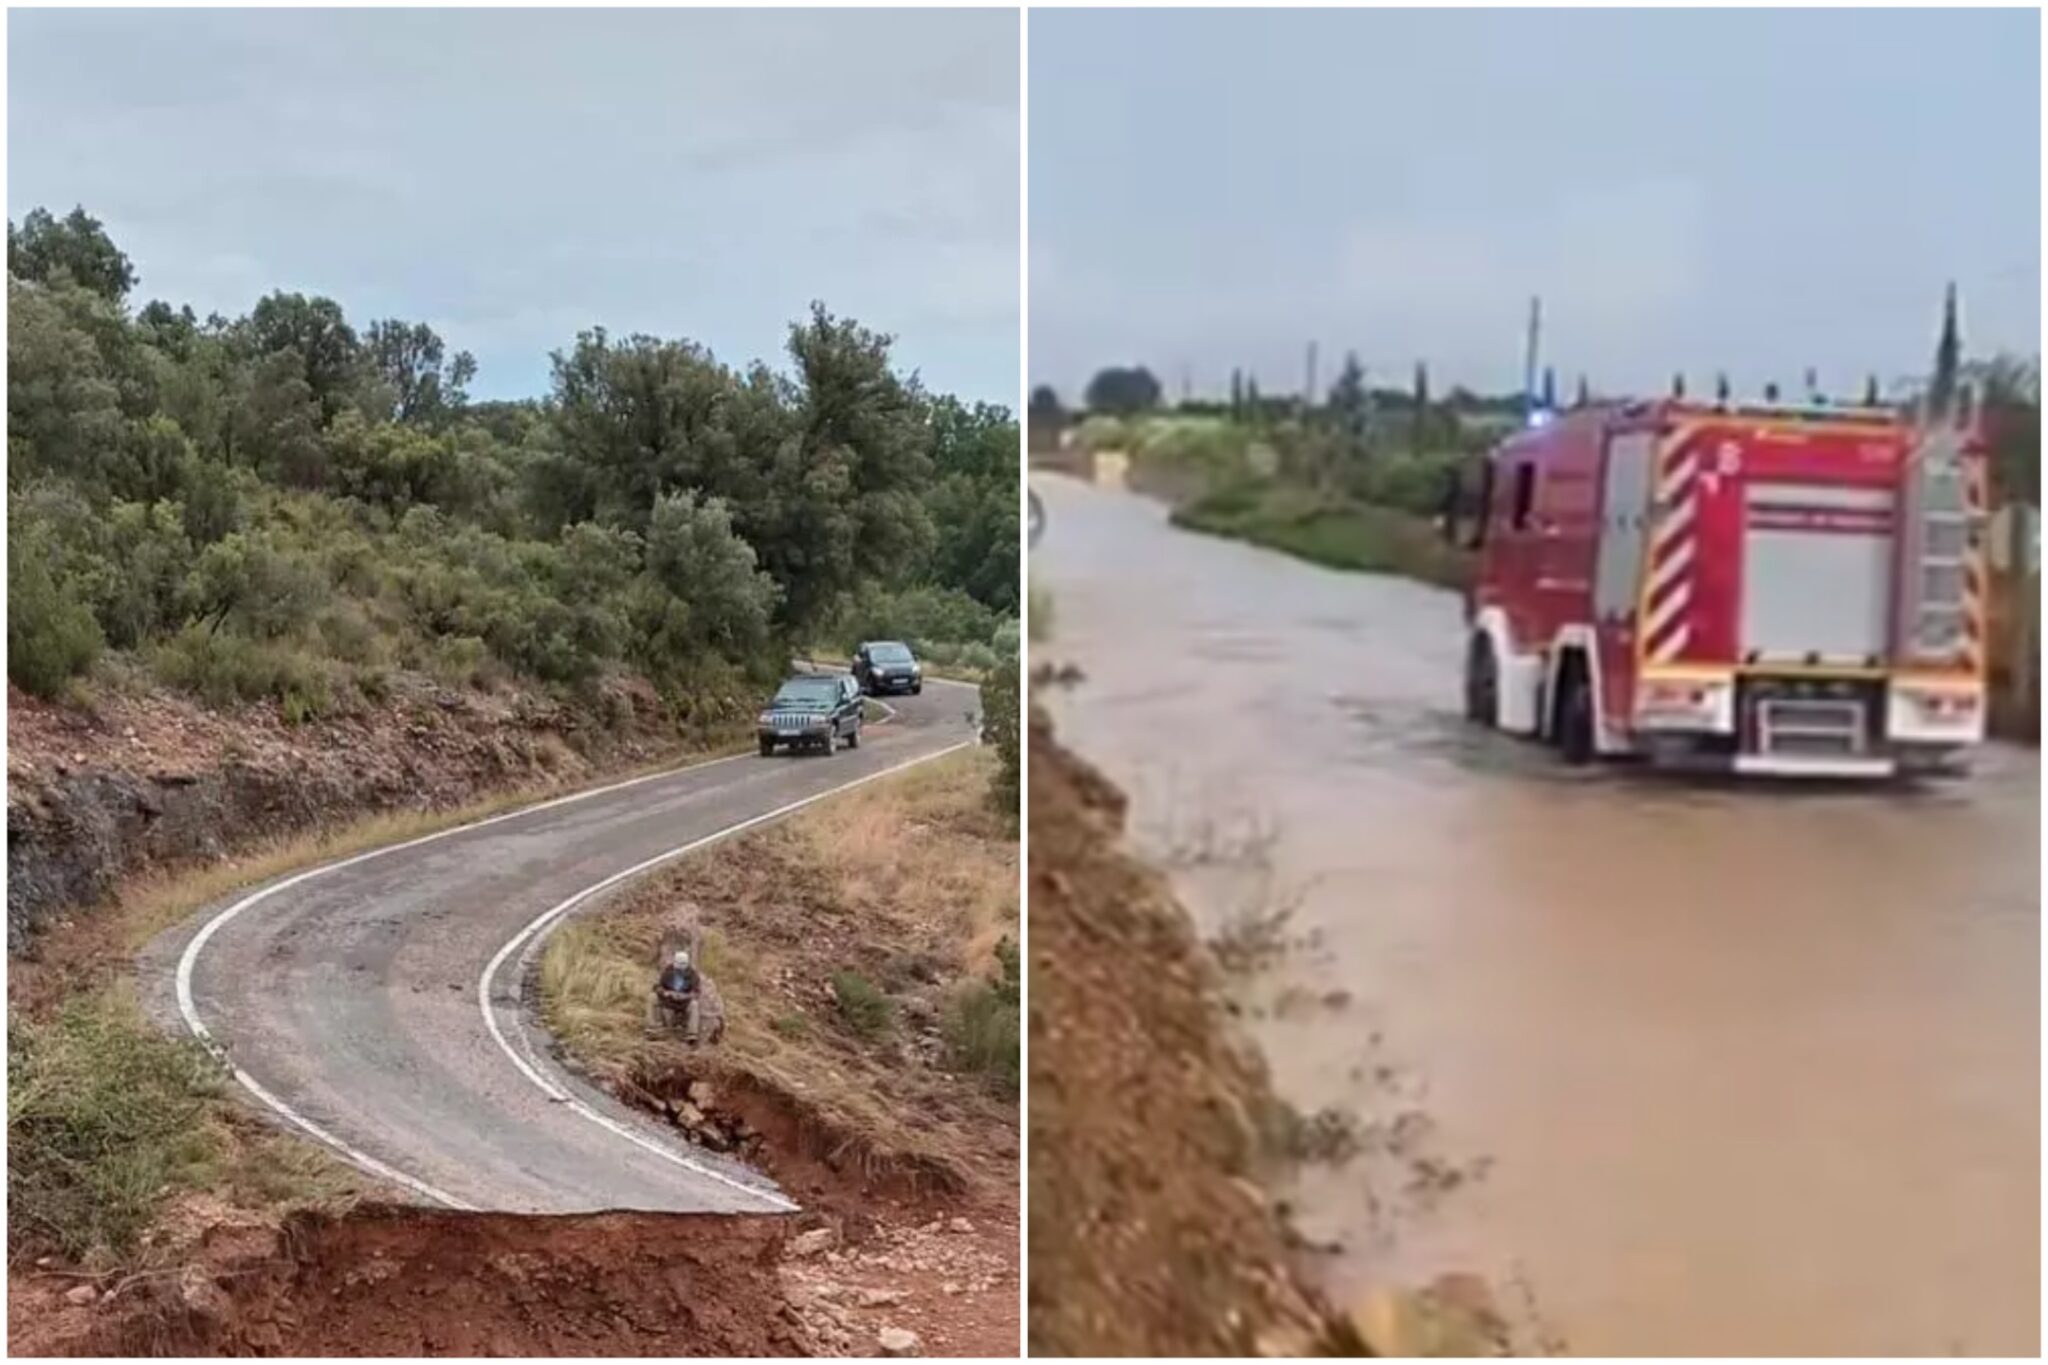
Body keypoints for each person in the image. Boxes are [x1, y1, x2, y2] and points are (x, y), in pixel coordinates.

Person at [654, 949, 701, 1041]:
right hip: (668, 1001)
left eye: (683, 964)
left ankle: (692, 1033)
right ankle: (652, 1027)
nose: (680, 968)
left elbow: (697, 992)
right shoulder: (667, 971)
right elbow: (657, 986)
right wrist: (665, 993)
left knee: (694, 1005)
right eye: (679, 964)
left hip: (685, 1003)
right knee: (652, 998)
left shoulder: (693, 975)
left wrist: (685, 996)